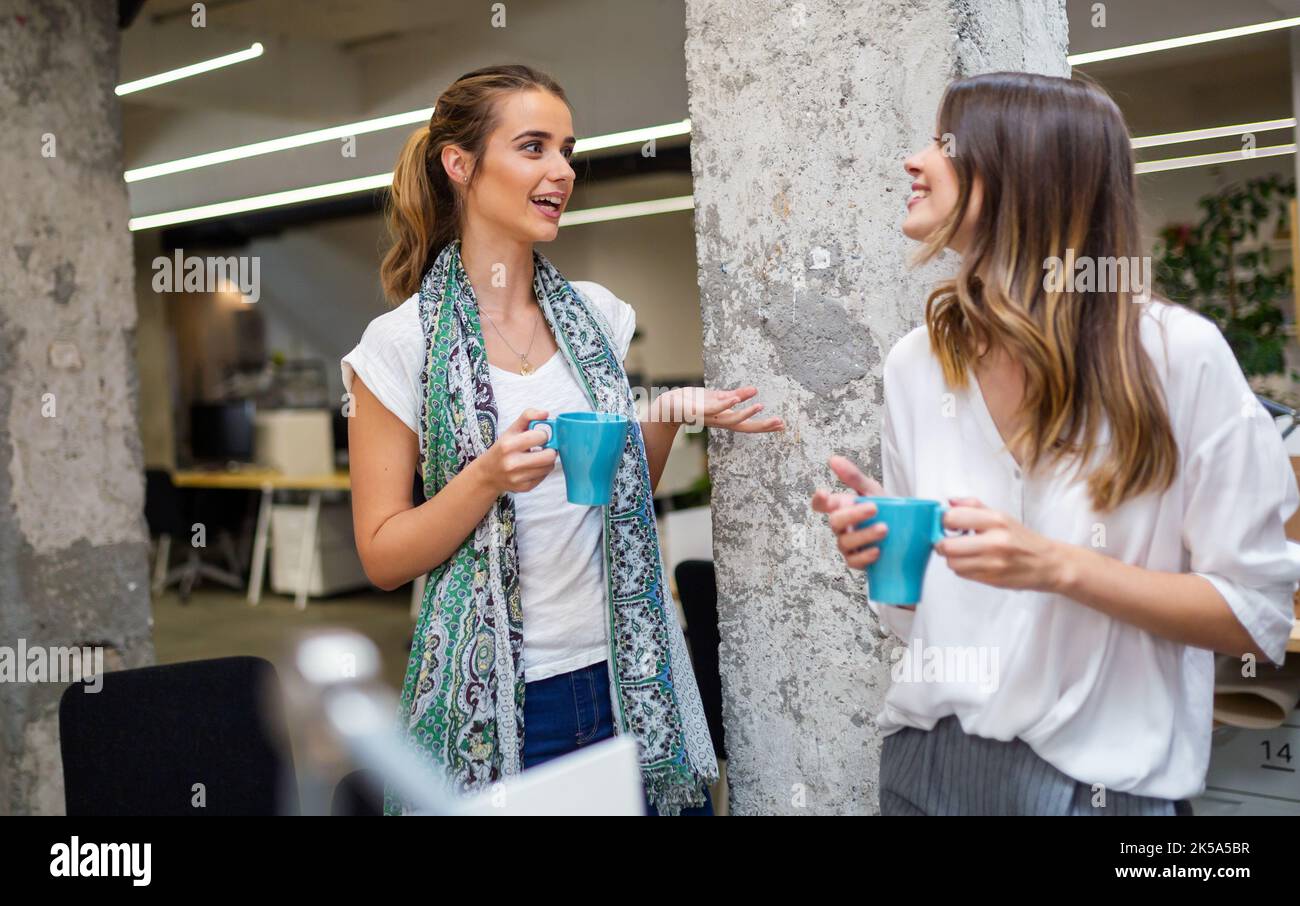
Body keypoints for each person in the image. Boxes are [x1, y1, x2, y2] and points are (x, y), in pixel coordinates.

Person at [812, 71, 1300, 816]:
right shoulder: (917, 363)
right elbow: (915, 622)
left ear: (1024, 169)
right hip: (926, 766)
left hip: (1103, 788)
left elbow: (1255, 616)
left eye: (944, 142)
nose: (915, 160)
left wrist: (1060, 567)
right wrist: (893, 555)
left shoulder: (1175, 356)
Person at [342, 64, 783, 815]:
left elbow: (619, 491)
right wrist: (484, 478)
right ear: (461, 165)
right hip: (512, 701)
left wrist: (665, 414)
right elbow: (383, 556)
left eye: (568, 150)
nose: (562, 171)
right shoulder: (400, 346)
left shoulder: (598, 316)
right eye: (534, 148)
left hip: (629, 676)